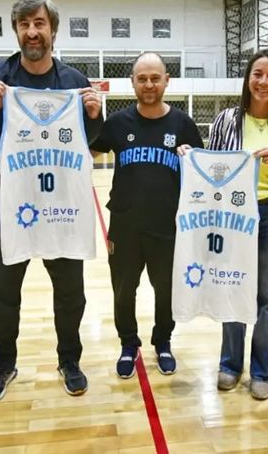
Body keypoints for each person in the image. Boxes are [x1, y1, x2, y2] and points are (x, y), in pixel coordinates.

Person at [0, 0, 103, 403]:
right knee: (3, 297)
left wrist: (94, 115)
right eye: (24, 24)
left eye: (39, 24)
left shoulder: (74, 82)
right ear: (16, 30)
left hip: (61, 210)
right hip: (8, 210)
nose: (32, 32)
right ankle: (3, 364)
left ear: (53, 30)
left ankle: (69, 360)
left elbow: (93, 141)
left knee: (71, 294)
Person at [90, 52, 203, 379]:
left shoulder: (182, 124)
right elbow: (84, 152)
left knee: (166, 290)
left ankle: (163, 341)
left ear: (167, 80)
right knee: (124, 290)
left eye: (155, 78)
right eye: (142, 78)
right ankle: (128, 343)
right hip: (125, 225)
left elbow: (200, 173)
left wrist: (191, 157)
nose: (149, 84)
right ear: (133, 83)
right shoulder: (118, 123)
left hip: (168, 227)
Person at [202, 49, 268, 400]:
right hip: (233, 217)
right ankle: (230, 365)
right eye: (257, 73)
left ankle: (264, 371)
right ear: (248, 78)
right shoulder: (226, 120)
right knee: (232, 290)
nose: (263, 81)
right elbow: (213, 169)